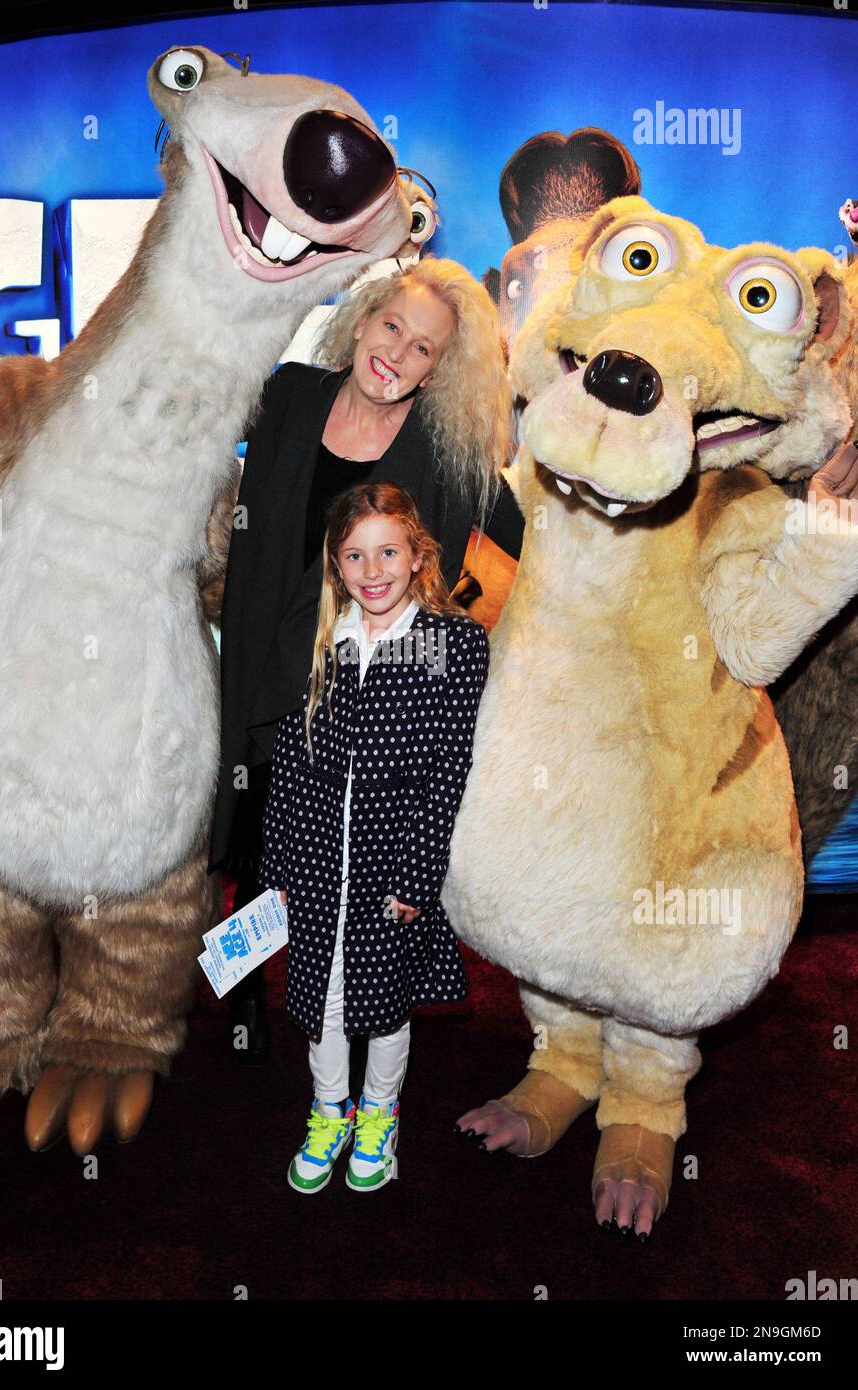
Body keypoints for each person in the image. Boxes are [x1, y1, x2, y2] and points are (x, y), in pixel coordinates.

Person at [208, 256, 523, 1063]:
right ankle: (237, 994)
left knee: (328, 871)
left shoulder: (445, 452)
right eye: (393, 327)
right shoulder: (287, 396)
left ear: (440, 369)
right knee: (247, 855)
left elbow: (523, 533)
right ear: (362, 319)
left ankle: (346, 1017)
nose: (399, 355)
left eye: (425, 349)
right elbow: (186, 433)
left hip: (361, 704)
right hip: (260, 673)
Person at [258, 482, 490, 1192]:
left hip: (395, 860)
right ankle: (330, 1109)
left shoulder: (453, 643)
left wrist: (415, 880)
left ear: (418, 555)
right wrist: (278, 868)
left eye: (388, 550)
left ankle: (380, 1116)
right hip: (321, 854)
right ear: (336, 566)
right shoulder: (329, 641)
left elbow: (449, 771)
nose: (373, 569)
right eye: (354, 555)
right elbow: (294, 759)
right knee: (320, 999)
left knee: (384, 1003)